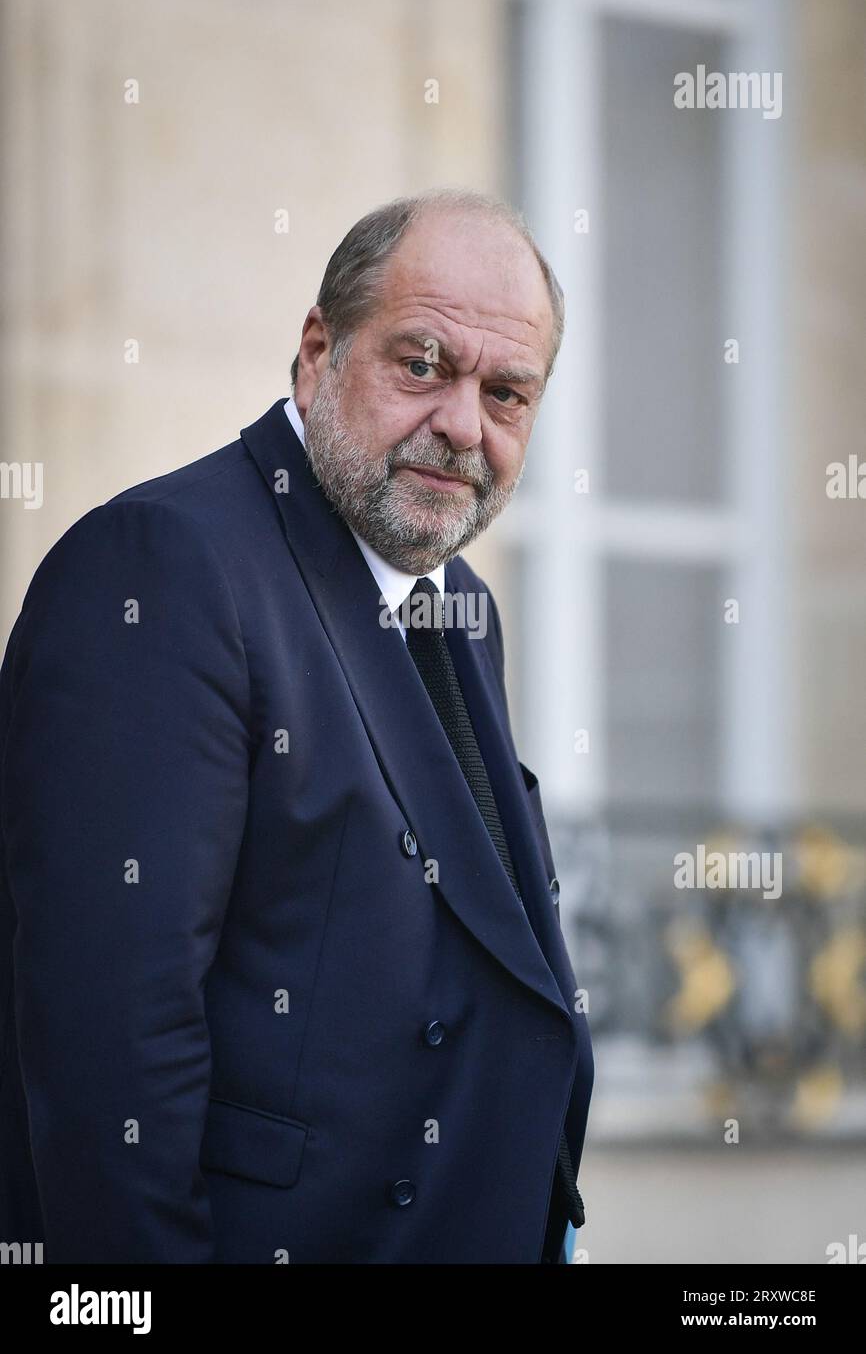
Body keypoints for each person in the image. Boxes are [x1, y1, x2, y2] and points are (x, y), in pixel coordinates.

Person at [0, 187, 593, 1264]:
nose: (462, 424)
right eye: (422, 363)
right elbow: (109, 1061)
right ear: (318, 351)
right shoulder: (160, 567)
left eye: (505, 392)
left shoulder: (459, 607)